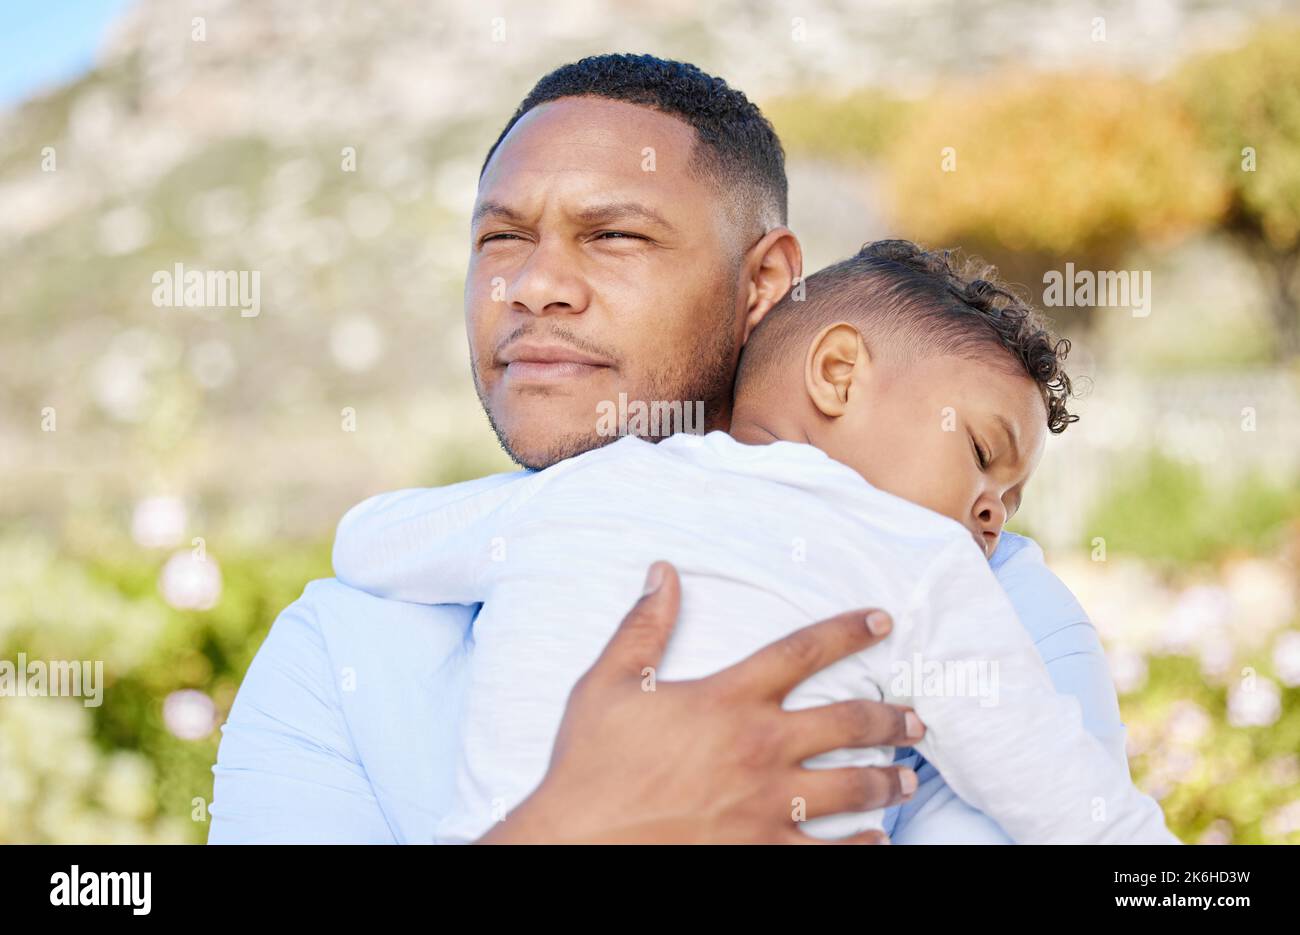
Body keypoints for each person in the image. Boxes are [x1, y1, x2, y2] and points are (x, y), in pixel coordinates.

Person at [209, 55, 1130, 844]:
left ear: (764, 279)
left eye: (612, 235)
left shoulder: (987, 596)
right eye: (502, 237)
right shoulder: (336, 645)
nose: (535, 285)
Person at [332, 240, 1177, 844]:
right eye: (983, 455)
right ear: (838, 373)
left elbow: (368, 542)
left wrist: (537, 507)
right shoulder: (917, 560)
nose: (994, 515)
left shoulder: (586, 488)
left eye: (1011, 503)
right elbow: (1071, 805)